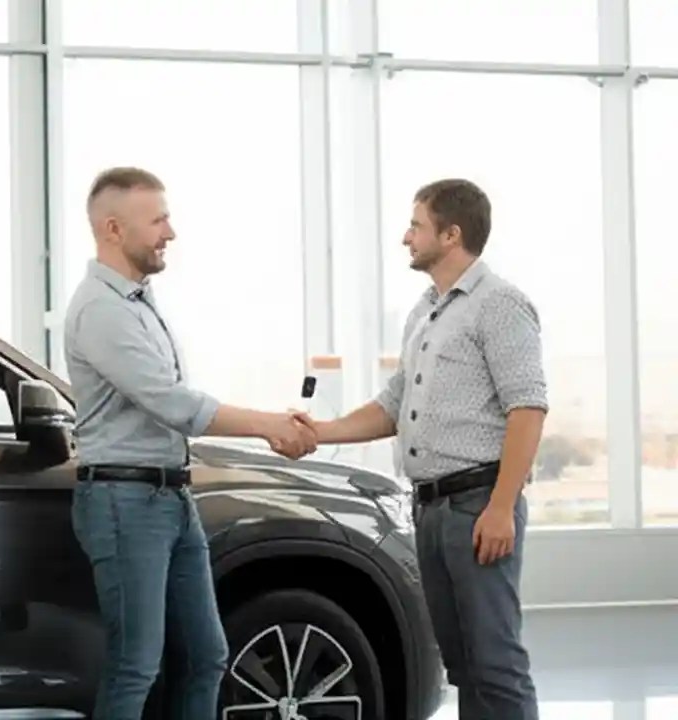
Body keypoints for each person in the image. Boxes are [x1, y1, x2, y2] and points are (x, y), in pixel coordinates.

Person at [63, 166, 316, 720]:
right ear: (112, 228)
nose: (170, 232)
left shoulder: (137, 302)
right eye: (157, 220)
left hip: (170, 498)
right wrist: (271, 424)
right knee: (136, 666)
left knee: (207, 656)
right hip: (124, 503)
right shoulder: (101, 309)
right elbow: (175, 404)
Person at [295, 178, 545, 720]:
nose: (406, 237)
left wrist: (501, 506)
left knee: (496, 664)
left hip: (477, 505)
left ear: (452, 234)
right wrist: (320, 432)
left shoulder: (499, 304)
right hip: (430, 508)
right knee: (462, 664)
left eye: (416, 225)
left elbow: (528, 407)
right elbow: (393, 404)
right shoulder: (427, 311)